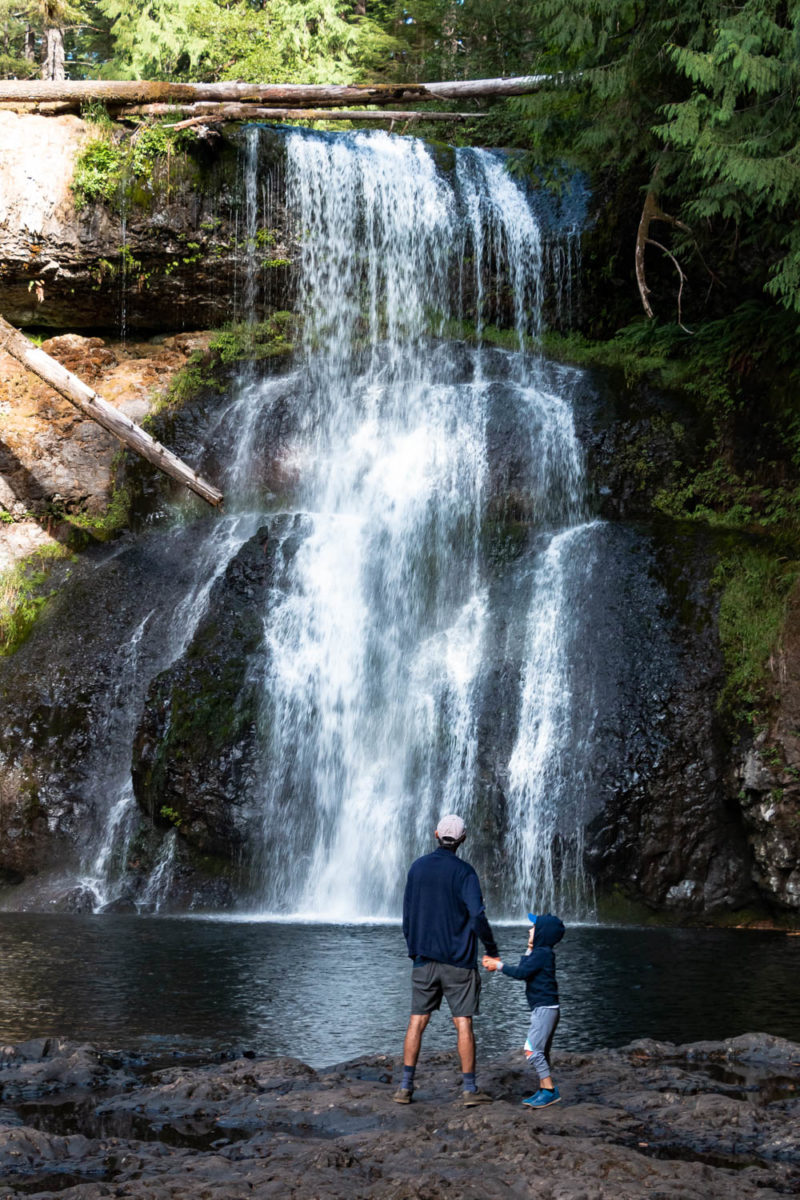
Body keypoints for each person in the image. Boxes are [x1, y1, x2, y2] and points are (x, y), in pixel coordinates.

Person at [394, 813, 499, 1106]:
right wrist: (490, 947)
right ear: (463, 839)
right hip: (459, 960)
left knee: (417, 1021)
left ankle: (404, 1088)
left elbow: (407, 914)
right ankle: (469, 1090)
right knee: (463, 1023)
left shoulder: (417, 868)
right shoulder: (465, 873)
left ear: (436, 834)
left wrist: (413, 948)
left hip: (423, 958)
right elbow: (477, 915)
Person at [482, 911, 565, 1108]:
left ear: (542, 933)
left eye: (534, 928)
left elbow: (521, 973)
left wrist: (498, 965)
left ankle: (550, 1091)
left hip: (544, 1010)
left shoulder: (542, 954)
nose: (529, 929)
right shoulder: (539, 953)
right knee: (541, 1052)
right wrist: (528, 948)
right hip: (546, 1009)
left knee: (531, 1050)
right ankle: (544, 1090)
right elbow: (526, 969)